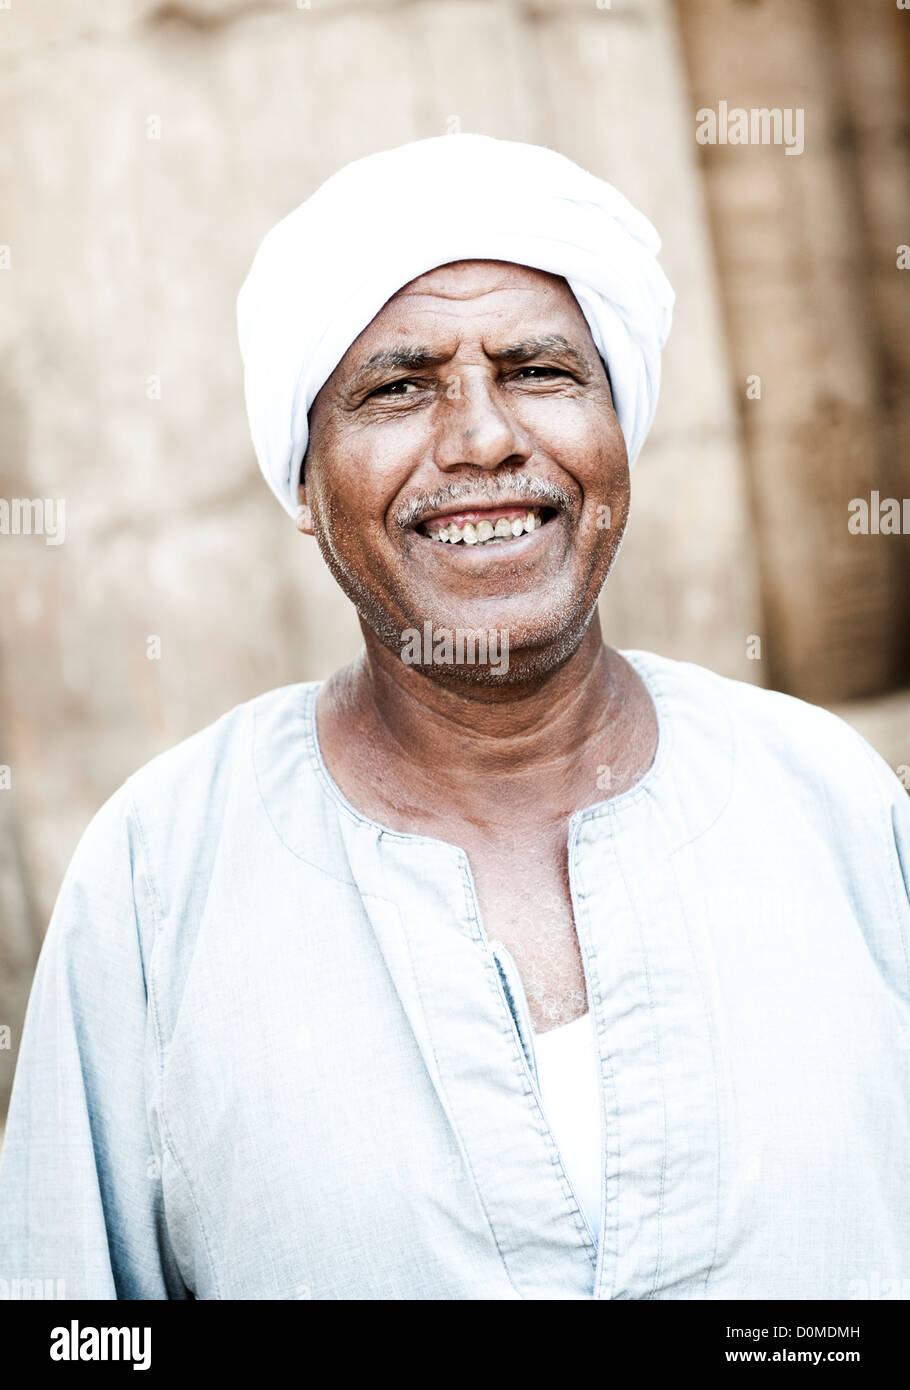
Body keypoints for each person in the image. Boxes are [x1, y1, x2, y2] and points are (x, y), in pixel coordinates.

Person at [1, 134, 908, 1301]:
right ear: (303, 482)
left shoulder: (828, 800)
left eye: (538, 371)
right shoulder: (158, 875)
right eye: (397, 385)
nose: (482, 437)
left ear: (617, 431)